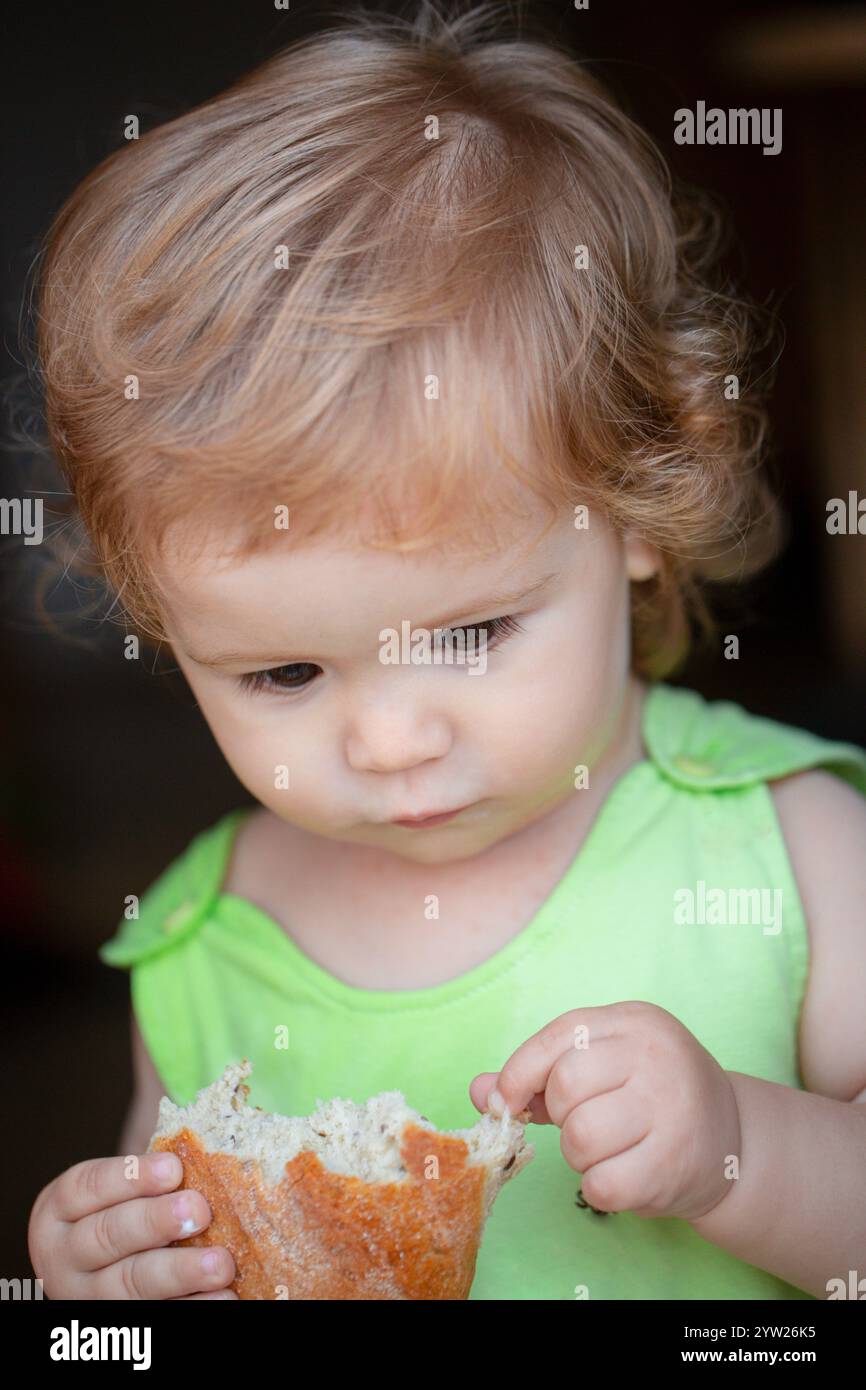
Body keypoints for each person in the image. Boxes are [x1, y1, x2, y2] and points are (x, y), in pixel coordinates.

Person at [27, 2, 866, 1300]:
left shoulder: (788, 851)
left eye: (468, 632)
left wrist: (737, 1151)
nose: (390, 739)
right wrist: (109, 1291)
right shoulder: (201, 946)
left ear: (639, 505)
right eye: (283, 673)